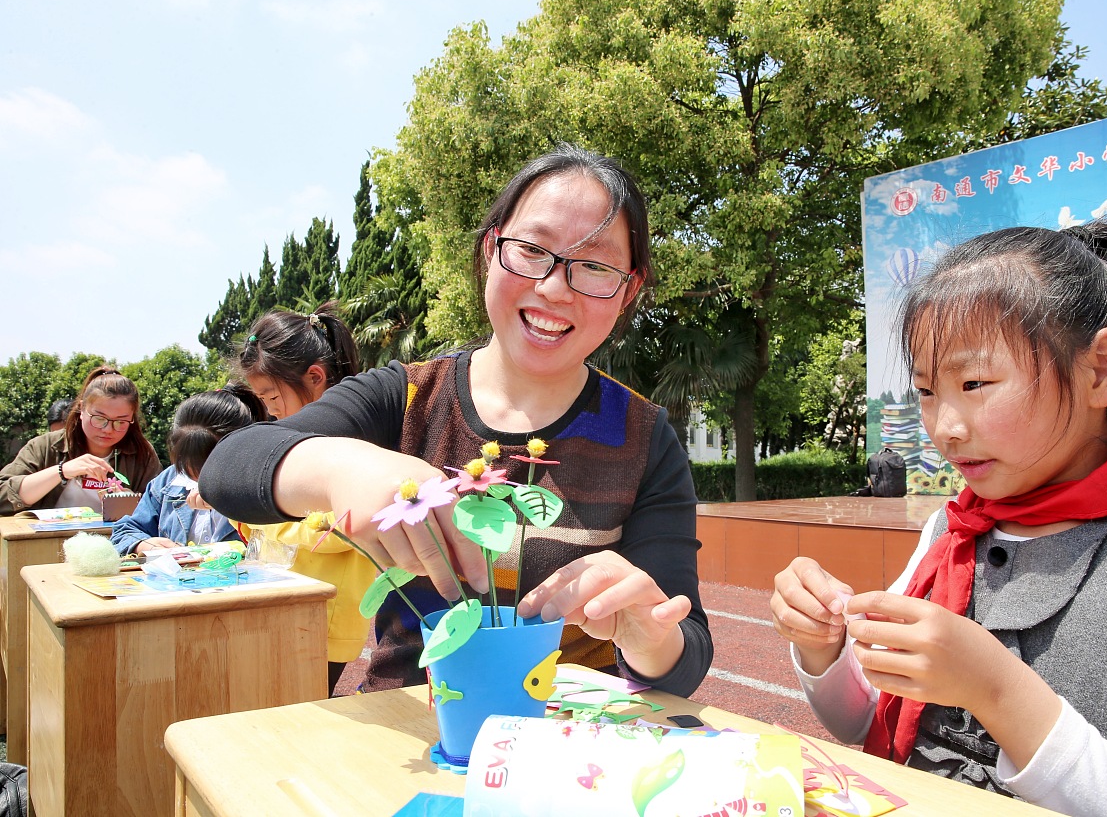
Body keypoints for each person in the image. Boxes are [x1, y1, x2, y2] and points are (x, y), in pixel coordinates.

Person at [202, 144, 712, 698]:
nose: (554, 288)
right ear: (491, 249)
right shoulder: (406, 396)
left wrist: (650, 640)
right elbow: (229, 467)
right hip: (408, 730)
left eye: (595, 266)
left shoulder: (645, 436)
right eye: (532, 249)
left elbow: (686, 650)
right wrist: (342, 466)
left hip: (572, 748)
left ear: (628, 290)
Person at [771, 222, 1107, 815]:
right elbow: (863, 720)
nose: (945, 426)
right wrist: (823, 647)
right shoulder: (952, 530)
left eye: (975, 382)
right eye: (926, 390)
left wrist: (995, 689)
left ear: (1101, 370)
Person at [223, 302, 378, 696]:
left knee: (295, 714)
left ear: (315, 378)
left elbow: (340, 530)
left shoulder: (353, 444)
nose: (271, 412)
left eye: (272, 397)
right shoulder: (300, 442)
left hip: (326, 614)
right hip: (295, 604)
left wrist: (256, 518)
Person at [110, 384, 267, 556]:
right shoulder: (168, 481)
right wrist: (144, 545)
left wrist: (233, 505)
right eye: (188, 470)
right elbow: (124, 531)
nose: (201, 481)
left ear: (241, 449)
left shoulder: (266, 485)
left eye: (211, 471)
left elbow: (285, 544)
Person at [0, 366, 162, 515]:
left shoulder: (142, 454)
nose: (108, 429)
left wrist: (131, 503)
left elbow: (161, 509)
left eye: (120, 421)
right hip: (46, 543)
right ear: (82, 409)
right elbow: (3, 495)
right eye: (99, 418)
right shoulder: (45, 446)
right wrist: (62, 471)